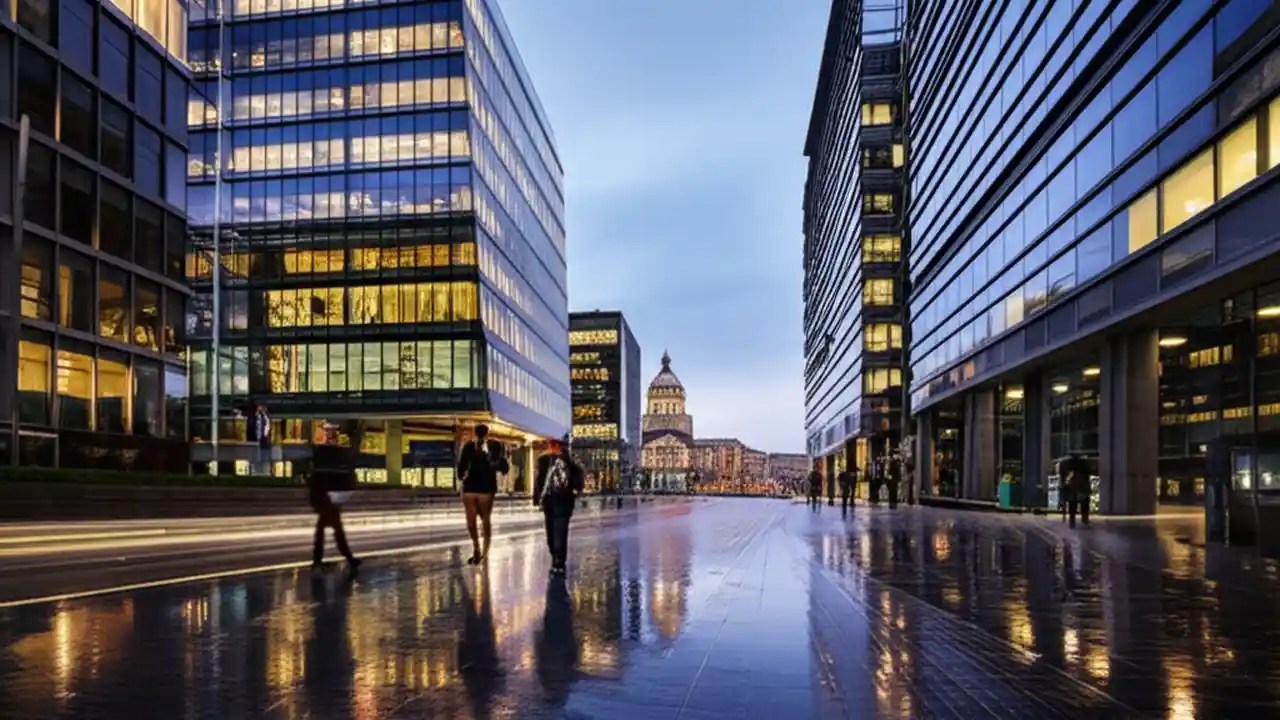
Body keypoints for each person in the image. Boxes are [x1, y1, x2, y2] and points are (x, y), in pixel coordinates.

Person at [309, 421, 361, 571]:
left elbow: (316, 476)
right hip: (326, 498)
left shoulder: (322, 453)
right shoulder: (332, 454)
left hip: (325, 498)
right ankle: (345, 559)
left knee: (328, 530)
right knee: (334, 531)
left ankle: (319, 560)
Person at [457, 424, 509, 565]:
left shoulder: (468, 446)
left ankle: (476, 548)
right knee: (485, 520)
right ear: (488, 432)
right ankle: (484, 553)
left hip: (469, 488)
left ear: (474, 433)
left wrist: (462, 477)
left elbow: (461, 467)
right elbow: (503, 466)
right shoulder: (495, 445)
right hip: (486, 488)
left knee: (471, 520)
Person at [533, 436, 584, 575]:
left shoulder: (544, 459)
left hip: (552, 500)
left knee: (552, 529)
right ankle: (558, 558)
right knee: (560, 530)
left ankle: (558, 559)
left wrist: (537, 499)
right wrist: (575, 492)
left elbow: (538, 480)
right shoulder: (572, 460)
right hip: (564, 500)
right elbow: (579, 479)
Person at [1064, 454, 1091, 527]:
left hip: (1074, 489)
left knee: (1072, 505)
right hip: (1082, 488)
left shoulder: (1071, 472)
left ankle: (1072, 521)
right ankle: (1084, 519)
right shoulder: (1084, 471)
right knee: (1084, 504)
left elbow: (1068, 481)